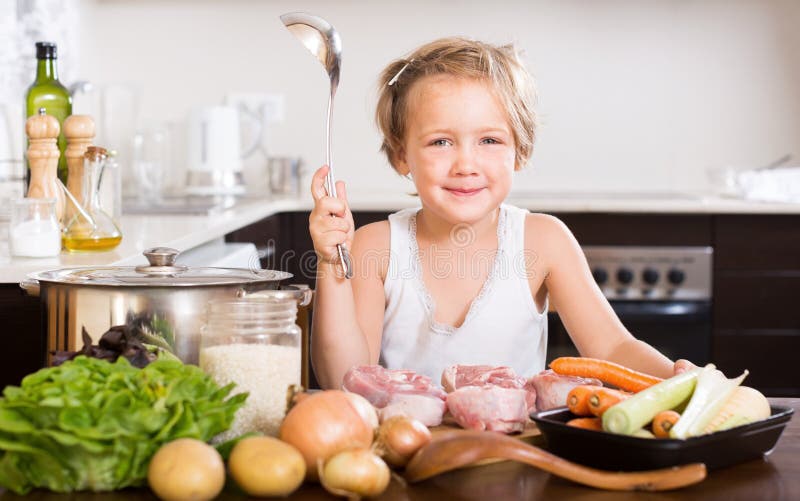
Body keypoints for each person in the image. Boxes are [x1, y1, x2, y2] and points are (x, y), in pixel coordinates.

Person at [308, 37, 693, 389]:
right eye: (440, 142)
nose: (466, 164)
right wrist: (330, 265)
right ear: (401, 155)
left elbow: (612, 349)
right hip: (406, 455)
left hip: (518, 453)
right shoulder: (375, 246)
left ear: (520, 151)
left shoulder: (544, 241)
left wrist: (682, 380)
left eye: (489, 140)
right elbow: (343, 379)